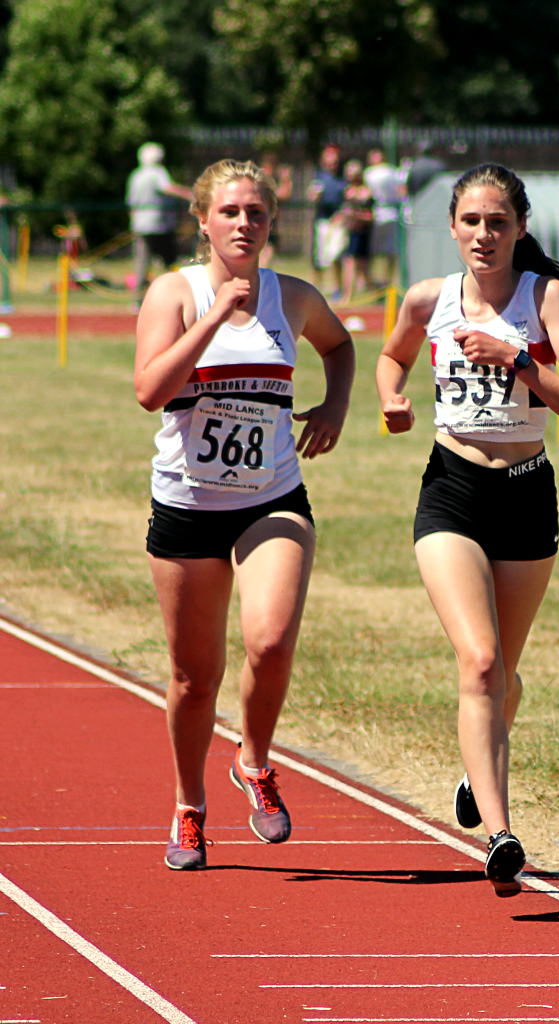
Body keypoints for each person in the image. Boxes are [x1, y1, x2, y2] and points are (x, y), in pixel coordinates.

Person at [376, 164, 559, 897]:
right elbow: (392, 353)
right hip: (453, 491)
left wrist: (520, 360)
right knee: (478, 662)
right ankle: (502, 834)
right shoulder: (428, 299)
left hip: (527, 496)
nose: (484, 235)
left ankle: (479, 767)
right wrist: (392, 398)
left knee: (502, 674)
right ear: (452, 227)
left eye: (498, 222)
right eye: (471, 222)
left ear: (520, 228)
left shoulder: (548, 299)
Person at [134, 159, 355, 871]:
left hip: (272, 497)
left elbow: (341, 345)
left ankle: (253, 758)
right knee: (195, 678)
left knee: (270, 642)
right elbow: (149, 390)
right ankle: (189, 806)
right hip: (189, 503)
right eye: (229, 212)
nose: (244, 224)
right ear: (202, 220)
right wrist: (211, 320)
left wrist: (336, 404)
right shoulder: (174, 292)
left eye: (256, 213)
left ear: (271, 224)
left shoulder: (292, 298)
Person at [126, 142, 193, 305]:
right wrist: (190, 194)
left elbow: (130, 202)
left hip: (140, 226)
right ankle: (176, 297)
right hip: (160, 226)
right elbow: (167, 187)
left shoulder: (136, 175)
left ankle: (138, 301)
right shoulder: (158, 172)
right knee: (170, 262)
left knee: (142, 264)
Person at [307, 145, 347, 298]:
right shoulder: (319, 177)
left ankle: (339, 289)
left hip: (338, 222)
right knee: (320, 257)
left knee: (336, 255)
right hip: (322, 221)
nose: (333, 163)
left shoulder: (342, 178)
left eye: (335, 160)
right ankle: (316, 289)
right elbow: (311, 196)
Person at [363, 148, 402, 285]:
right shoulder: (394, 172)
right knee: (390, 251)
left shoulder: (369, 173)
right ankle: (386, 280)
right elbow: (401, 191)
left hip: (377, 213)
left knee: (373, 251)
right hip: (391, 213)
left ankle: (374, 282)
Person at [340, 159, 374, 305]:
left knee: (359, 266)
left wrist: (355, 214)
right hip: (350, 232)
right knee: (352, 263)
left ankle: (351, 295)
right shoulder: (347, 191)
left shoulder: (366, 192)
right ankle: (349, 295)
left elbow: (370, 216)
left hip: (362, 232)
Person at [258, 153, 293, 268]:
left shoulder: (270, 182)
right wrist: (286, 179)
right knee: (266, 253)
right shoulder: (261, 183)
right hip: (261, 223)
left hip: (271, 224)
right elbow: (283, 194)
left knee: (268, 252)